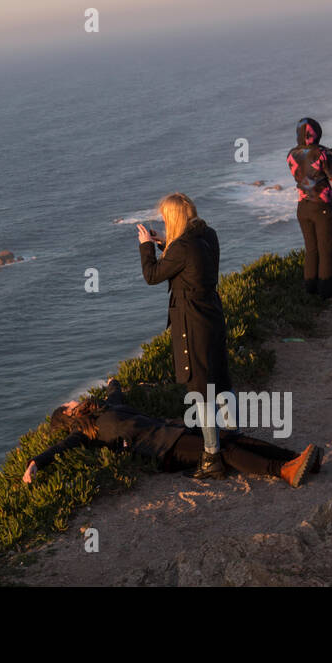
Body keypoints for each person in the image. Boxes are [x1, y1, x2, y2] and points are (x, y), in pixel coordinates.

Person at [22, 379, 319, 487]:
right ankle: (283, 471)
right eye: (69, 404)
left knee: (231, 437)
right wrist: (35, 463)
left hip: (173, 431)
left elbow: (115, 391)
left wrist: (112, 380)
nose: (74, 400)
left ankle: (296, 459)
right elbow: (58, 450)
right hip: (164, 452)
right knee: (221, 451)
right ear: (69, 415)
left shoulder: (104, 409)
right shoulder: (86, 434)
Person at [135, 193, 233, 478]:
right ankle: (232, 433)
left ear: (174, 217)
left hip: (191, 322)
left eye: (166, 217)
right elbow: (190, 257)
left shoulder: (181, 248)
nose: (164, 221)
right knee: (220, 377)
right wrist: (162, 242)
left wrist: (145, 247)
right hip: (211, 314)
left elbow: (152, 275)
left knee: (199, 387)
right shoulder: (207, 234)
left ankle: (212, 456)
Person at [287, 118, 332, 302]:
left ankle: (310, 291)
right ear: (317, 133)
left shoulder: (291, 154)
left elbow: (302, 174)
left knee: (311, 250)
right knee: (326, 251)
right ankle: (327, 294)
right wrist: (331, 157)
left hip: (303, 208)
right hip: (322, 206)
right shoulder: (322, 153)